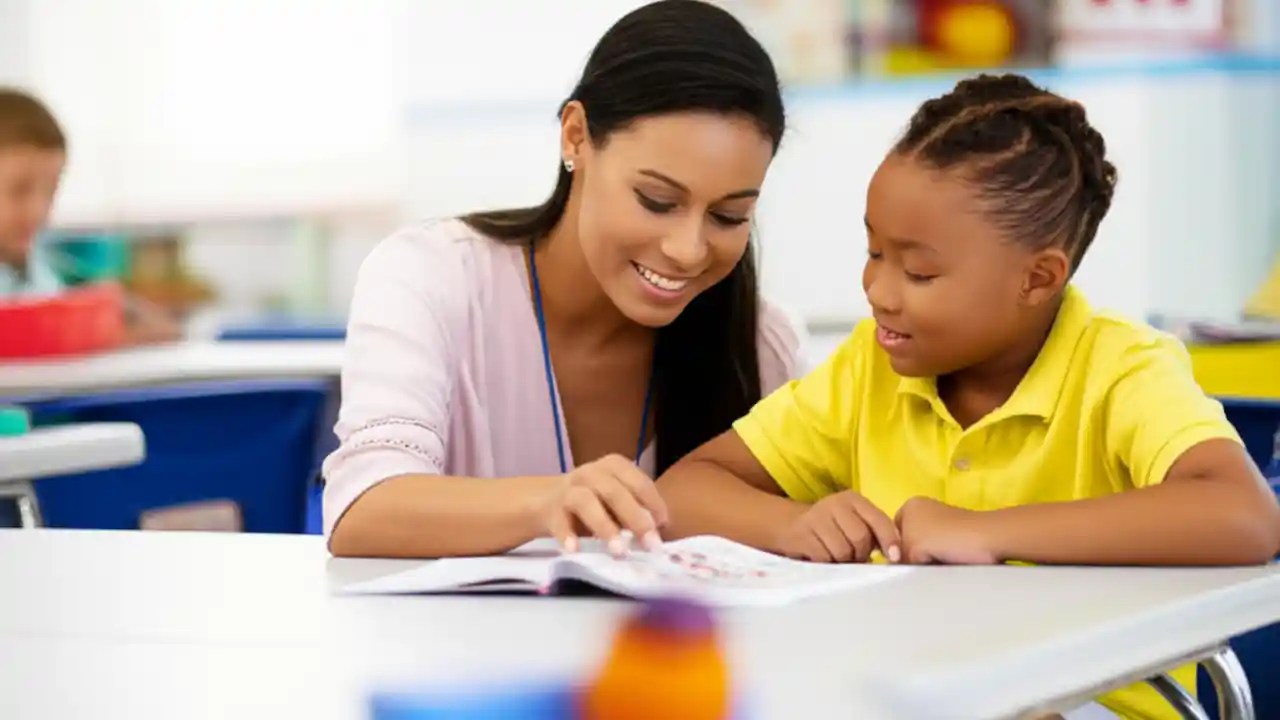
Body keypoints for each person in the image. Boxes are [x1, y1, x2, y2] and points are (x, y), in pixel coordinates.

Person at [656, 74, 1280, 720]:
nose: (879, 290)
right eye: (874, 251)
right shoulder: (870, 367)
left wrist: (986, 533)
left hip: (1097, 705)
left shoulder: (1124, 369)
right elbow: (682, 493)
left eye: (920, 272)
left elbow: (1244, 517)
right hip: (915, 698)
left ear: (1038, 278)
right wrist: (792, 523)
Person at [323, 0, 803, 559]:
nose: (688, 249)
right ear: (575, 136)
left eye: (728, 217)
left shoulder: (760, 344)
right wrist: (548, 502)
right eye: (657, 200)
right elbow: (362, 510)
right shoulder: (433, 278)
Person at [0, 88, 181, 344]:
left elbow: (155, 324)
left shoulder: (50, 271)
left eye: (51, 191)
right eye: (19, 190)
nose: (38, 211)